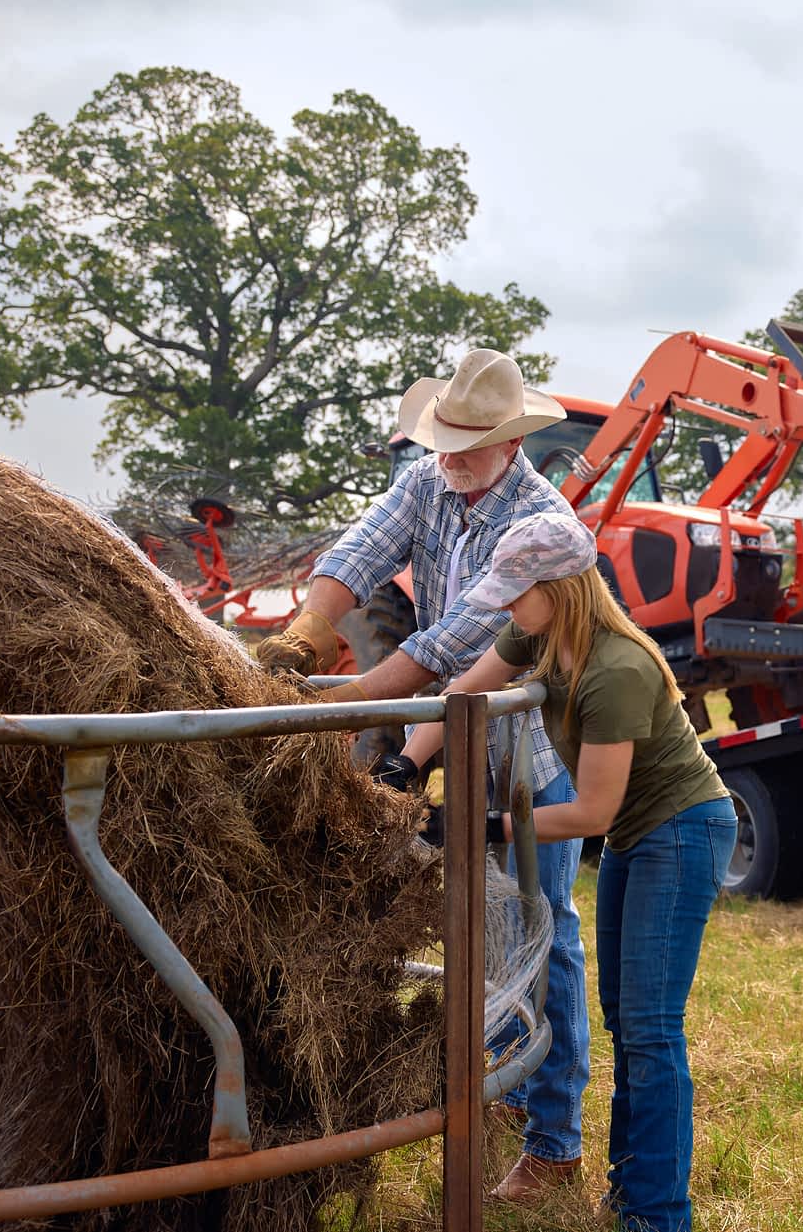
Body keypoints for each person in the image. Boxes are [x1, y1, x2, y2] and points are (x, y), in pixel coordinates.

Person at [252, 349, 591, 1202]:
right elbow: (363, 549)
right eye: (445, 440)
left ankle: (555, 1143)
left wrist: (342, 709)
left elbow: (452, 643)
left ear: (511, 443)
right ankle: (505, 1082)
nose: (452, 457)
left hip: (523, 754)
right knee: (482, 922)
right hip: (455, 735)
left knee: (542, 926)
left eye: (470, 444)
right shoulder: (428, 481)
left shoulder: (537, 521)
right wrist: (309, 627)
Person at [399, 510, 736, 1232]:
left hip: (680, 831)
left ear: (559, 588)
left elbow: (592, 812)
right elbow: (465, 693)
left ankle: (656, 1214)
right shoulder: (541, 635)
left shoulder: (617, 668)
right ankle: (631, 1191)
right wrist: (408, 762)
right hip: (639, 834)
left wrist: (479, 825)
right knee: (625, 1016)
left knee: (650, 1028)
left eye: (516, 593)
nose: (506, 609)